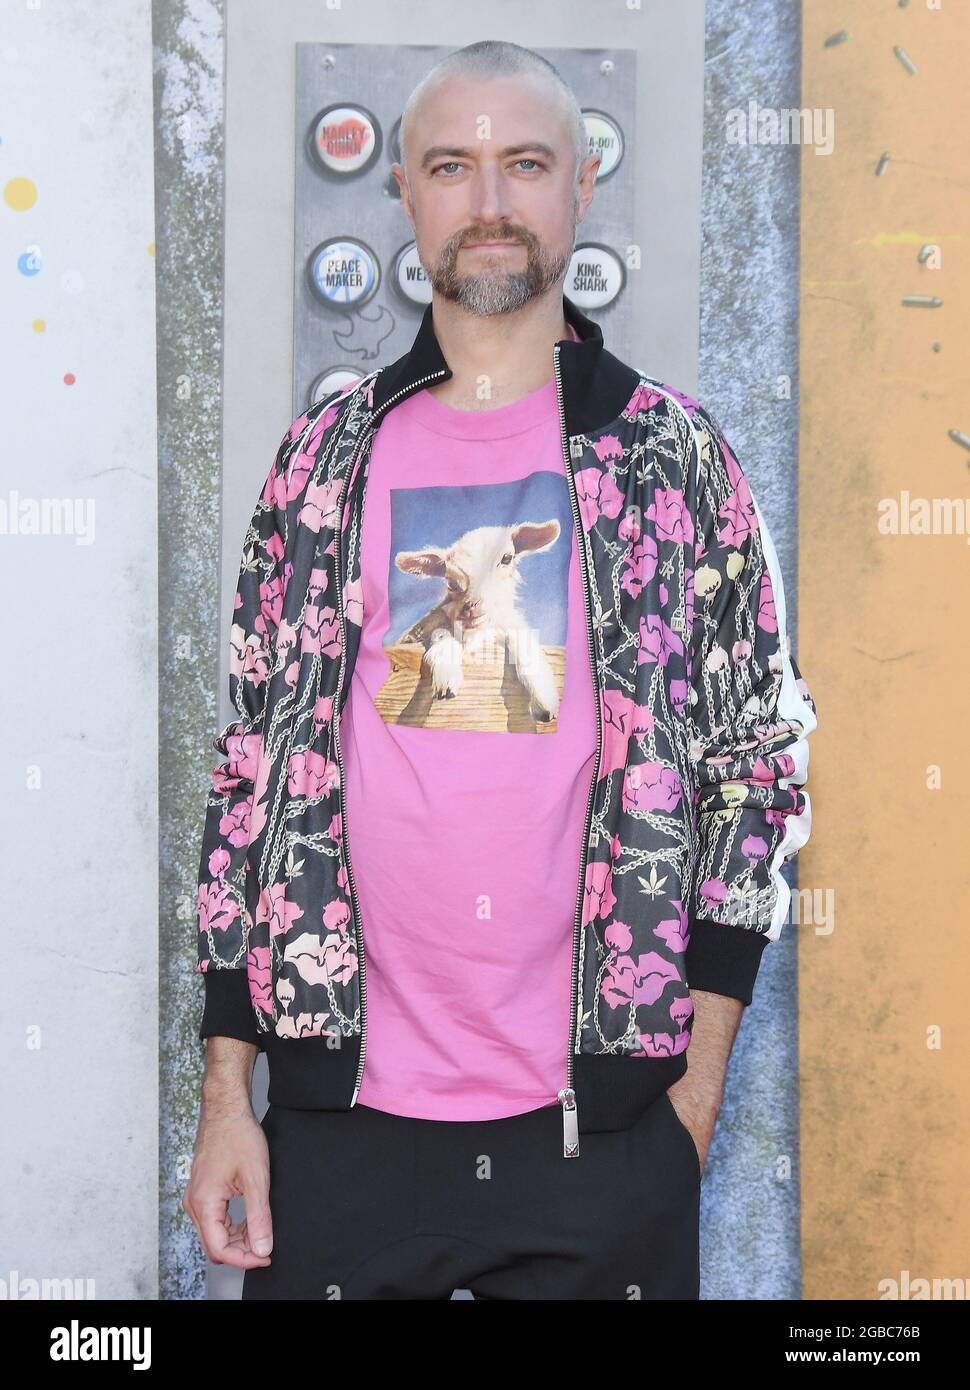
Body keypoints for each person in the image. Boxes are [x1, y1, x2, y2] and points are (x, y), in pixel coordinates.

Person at [183, 39, 818, 1301]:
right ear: (406, 199)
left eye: (523, 164)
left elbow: (759, 766)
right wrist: (227, 1092)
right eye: (450, 167)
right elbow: (251, 769)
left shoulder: (673, 457)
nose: (487, 202)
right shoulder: (323, 461)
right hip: (342, 1117)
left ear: (581, 187)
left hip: (603, 1128)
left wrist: (687, 1089)